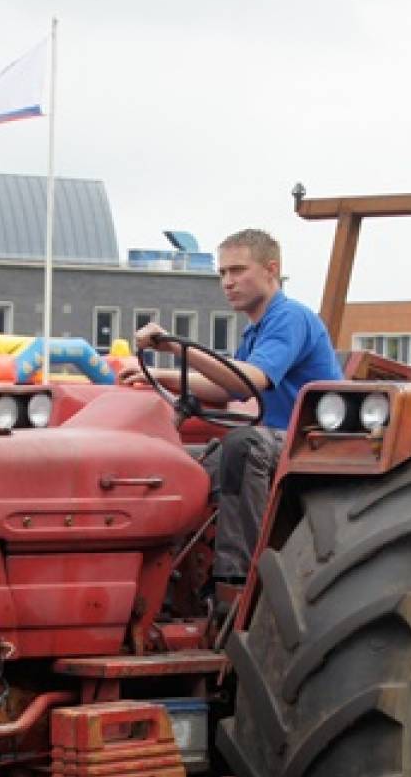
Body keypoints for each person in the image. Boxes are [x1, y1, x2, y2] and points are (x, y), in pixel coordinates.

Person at [123, 228, 342, 585]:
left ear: (271, 270)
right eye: (222, 273)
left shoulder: (289, 317)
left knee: (241, 446)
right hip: (276, 438)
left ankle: (239, 581)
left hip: (307, 440)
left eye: (238, 270)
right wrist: (158, 377)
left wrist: (176, 349)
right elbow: (225, 390)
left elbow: (246, 380)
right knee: (184, 468)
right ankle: (169, 579)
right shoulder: (254, 331)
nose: (227, 282)